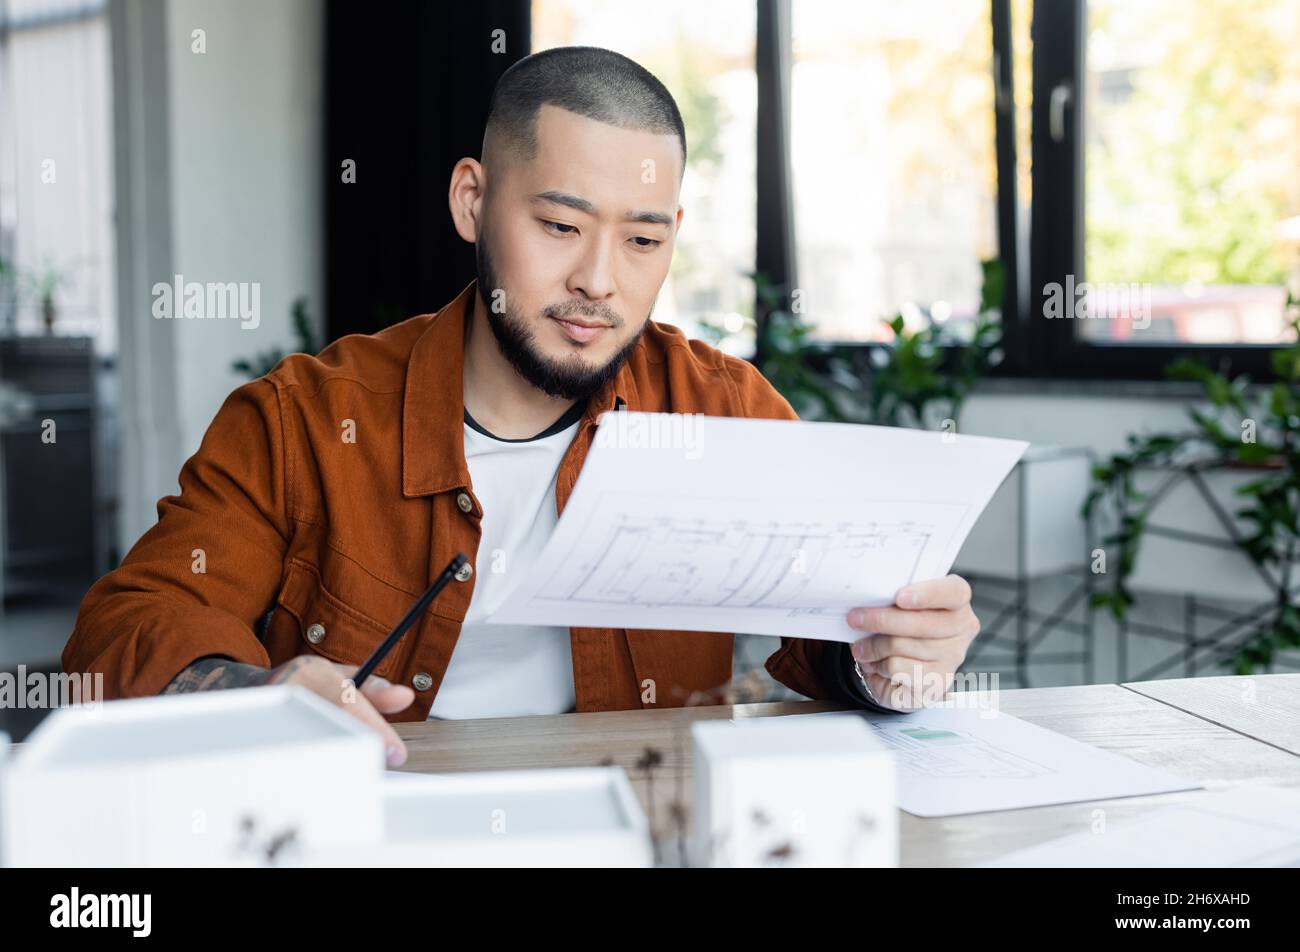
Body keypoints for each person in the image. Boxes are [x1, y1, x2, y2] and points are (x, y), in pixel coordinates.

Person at [64, 46, 980, 767]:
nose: (598, 280)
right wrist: (251, 692)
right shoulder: (302, 420)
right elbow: (120, 634)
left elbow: (833, 630)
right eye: (559, 226)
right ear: (472, 200)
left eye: (641, 239)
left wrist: (885, 660)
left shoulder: (721, 410)